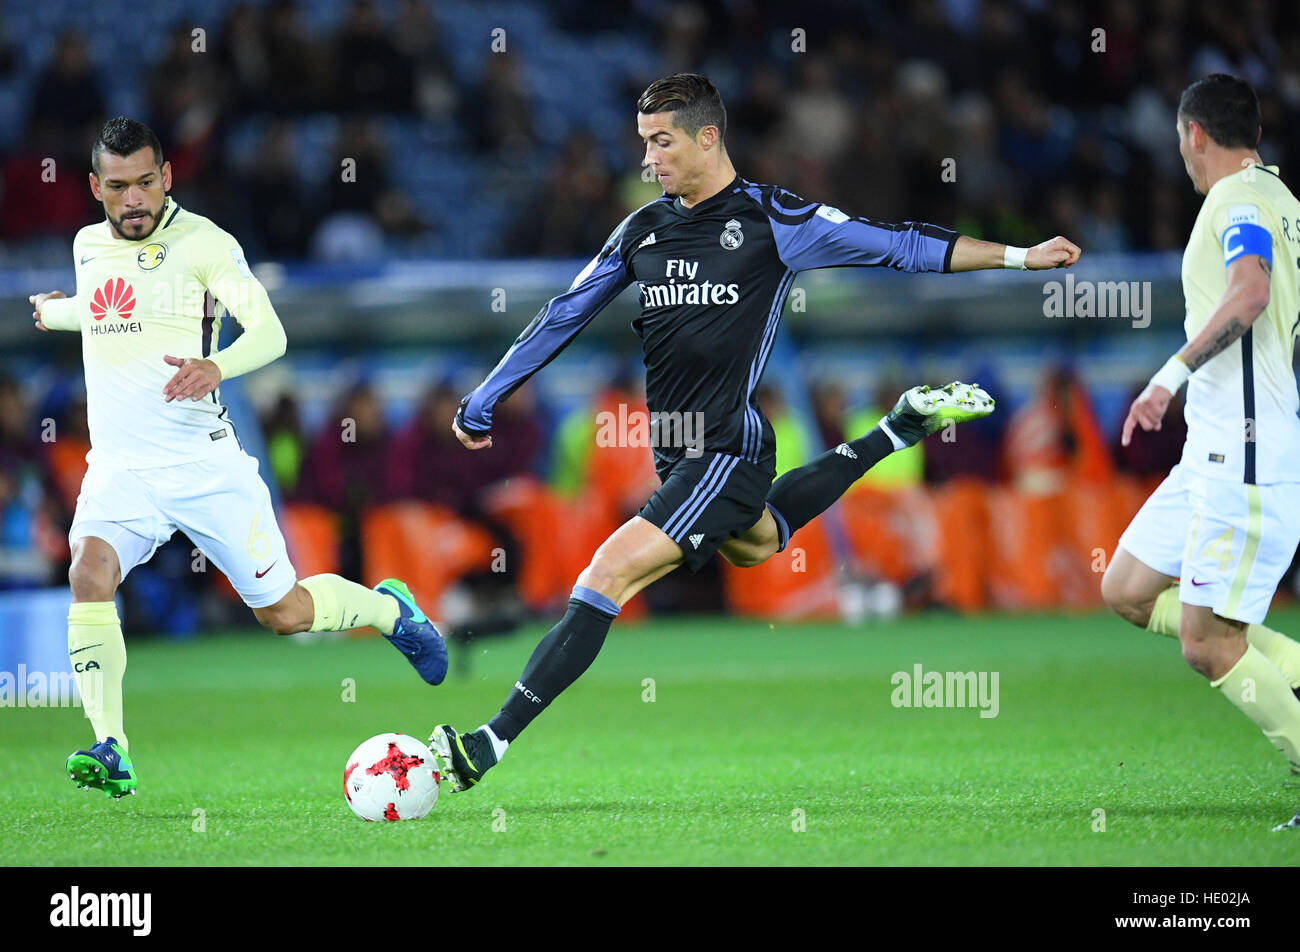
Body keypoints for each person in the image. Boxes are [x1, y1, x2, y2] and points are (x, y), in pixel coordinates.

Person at [430, 73, 1080, 791]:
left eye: (662, 141)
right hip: (678, 451)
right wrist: (484, 398)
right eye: (643, 143)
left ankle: (489, 741)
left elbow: (896, 245)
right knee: (760, 541)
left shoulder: (775, 218)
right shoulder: (641, 228)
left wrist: (1020, 258)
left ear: (709, 136)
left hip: (726, 450)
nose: (648, 161)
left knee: (606, 572)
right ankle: (899, 429)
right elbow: (564, 311)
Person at [28, 117, 446, 801]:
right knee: (88, 574)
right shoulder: (86, 245)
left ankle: (387, 611)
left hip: (205, 466)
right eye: (117, 187)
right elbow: (114, 308)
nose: (132, 200)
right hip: (122, 470)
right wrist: (56, 314)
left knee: (283, 614)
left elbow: (271, 331)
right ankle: (113, 746)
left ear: (165, 177)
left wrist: (216, 367)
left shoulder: (206, 243)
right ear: (95, 188)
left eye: (143, 183)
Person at [1099, 75, 1300, 830]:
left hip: (1243, 457)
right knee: (1125, 587)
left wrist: (1170, 377)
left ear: (1192, 135)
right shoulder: (1283, 203)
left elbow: (1248, 296)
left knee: (1208, 644)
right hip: (1217, 452)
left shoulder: (1239, 200)